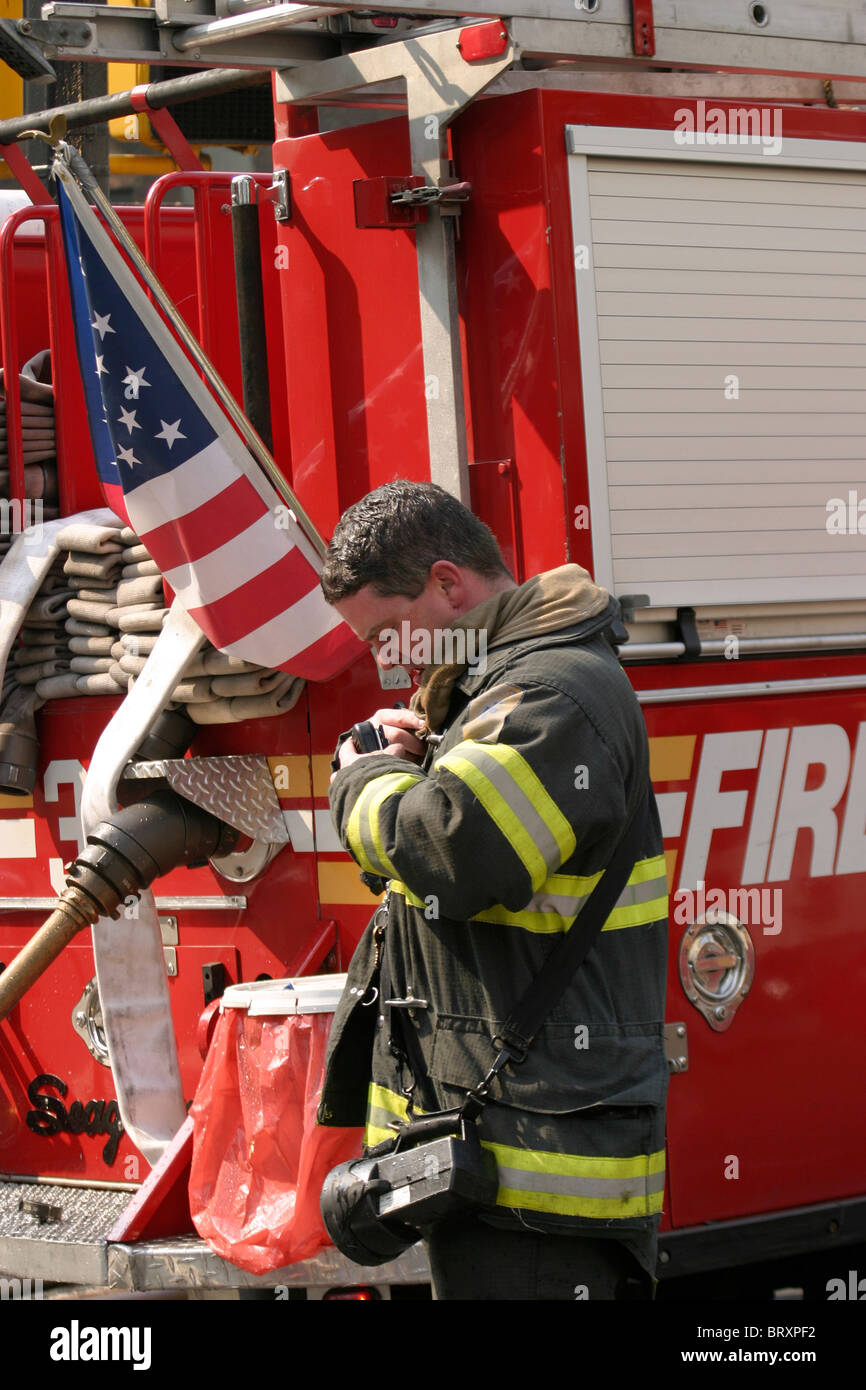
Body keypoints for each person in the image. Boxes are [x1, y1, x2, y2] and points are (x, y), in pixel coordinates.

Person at [317, 479, 668, 1301]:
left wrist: (361, 776)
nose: (388, 662)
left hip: (541, 1185)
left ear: (447, 583)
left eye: (387, 633)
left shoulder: (553, 697)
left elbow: (449, 854)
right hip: (494, 1156)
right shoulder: (492, 691)